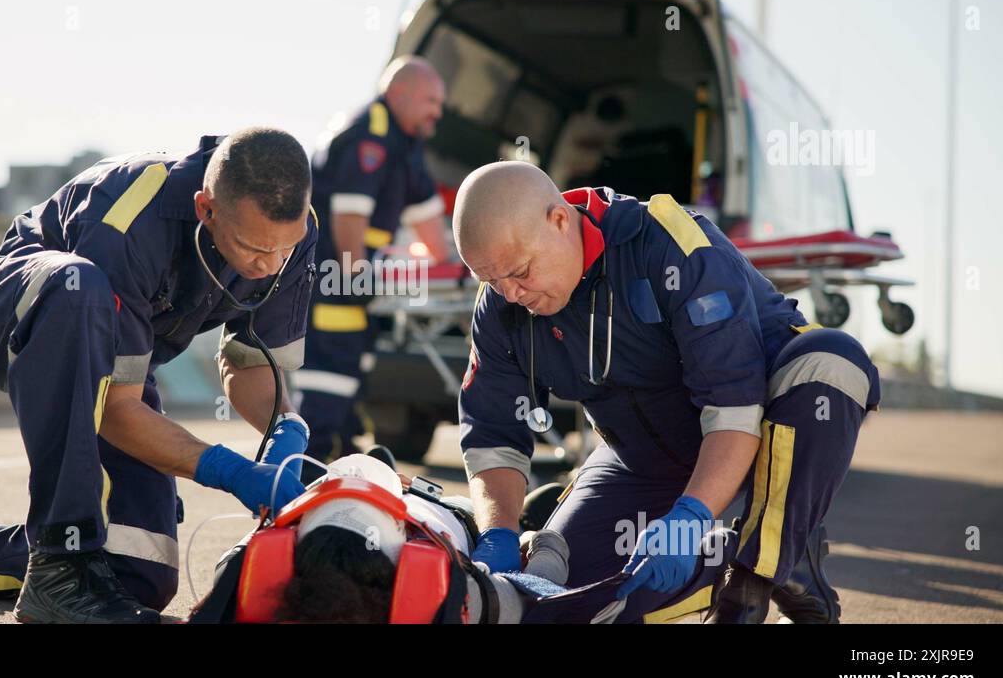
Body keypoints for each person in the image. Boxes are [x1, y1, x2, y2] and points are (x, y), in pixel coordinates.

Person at [0, 128, 320, 623]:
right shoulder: (134, 220)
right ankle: (56, 566)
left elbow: (252, 364)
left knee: (137, 571)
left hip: (110, 362)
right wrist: (231, 472)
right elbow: (117, 412)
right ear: (206, 210)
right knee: (80, 286)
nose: (271, 265)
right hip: (8, 310)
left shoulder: (291, 233)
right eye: (254, 248)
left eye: (284, 248)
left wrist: (286, 429)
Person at [452, 161, 880, 623]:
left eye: (519, 272)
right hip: (639, 459)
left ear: (559, 220)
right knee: (559, 602)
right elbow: (493, 434)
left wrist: (689, 519)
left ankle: (750, 585)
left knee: (832, 363)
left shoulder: (673, 248)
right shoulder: (500, 304)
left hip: (753, 435)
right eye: (492, 280)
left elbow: (733, 409)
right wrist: (496, 535)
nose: (510, 294)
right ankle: (779, 555)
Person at [189, 454, 574, 624]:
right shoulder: (446, 593)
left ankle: (382, 463)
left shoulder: (249, 576)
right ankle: (530, 512)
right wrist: (536, 542)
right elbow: (540, 590)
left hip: (423, 507)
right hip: (450, 514)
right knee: (537, 510)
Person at [295, 56, 452, 464]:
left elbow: (430, 223)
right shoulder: (369, 136)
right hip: (331, 277)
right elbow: (349, 219)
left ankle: (342, 454)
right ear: (399, 93)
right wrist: (358, 281)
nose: (438, 111)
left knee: (353, 368)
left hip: (352, 283)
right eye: (431, 100)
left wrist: (457, 265)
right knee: (328, 374)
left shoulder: (406, 142)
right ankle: (308, 465)